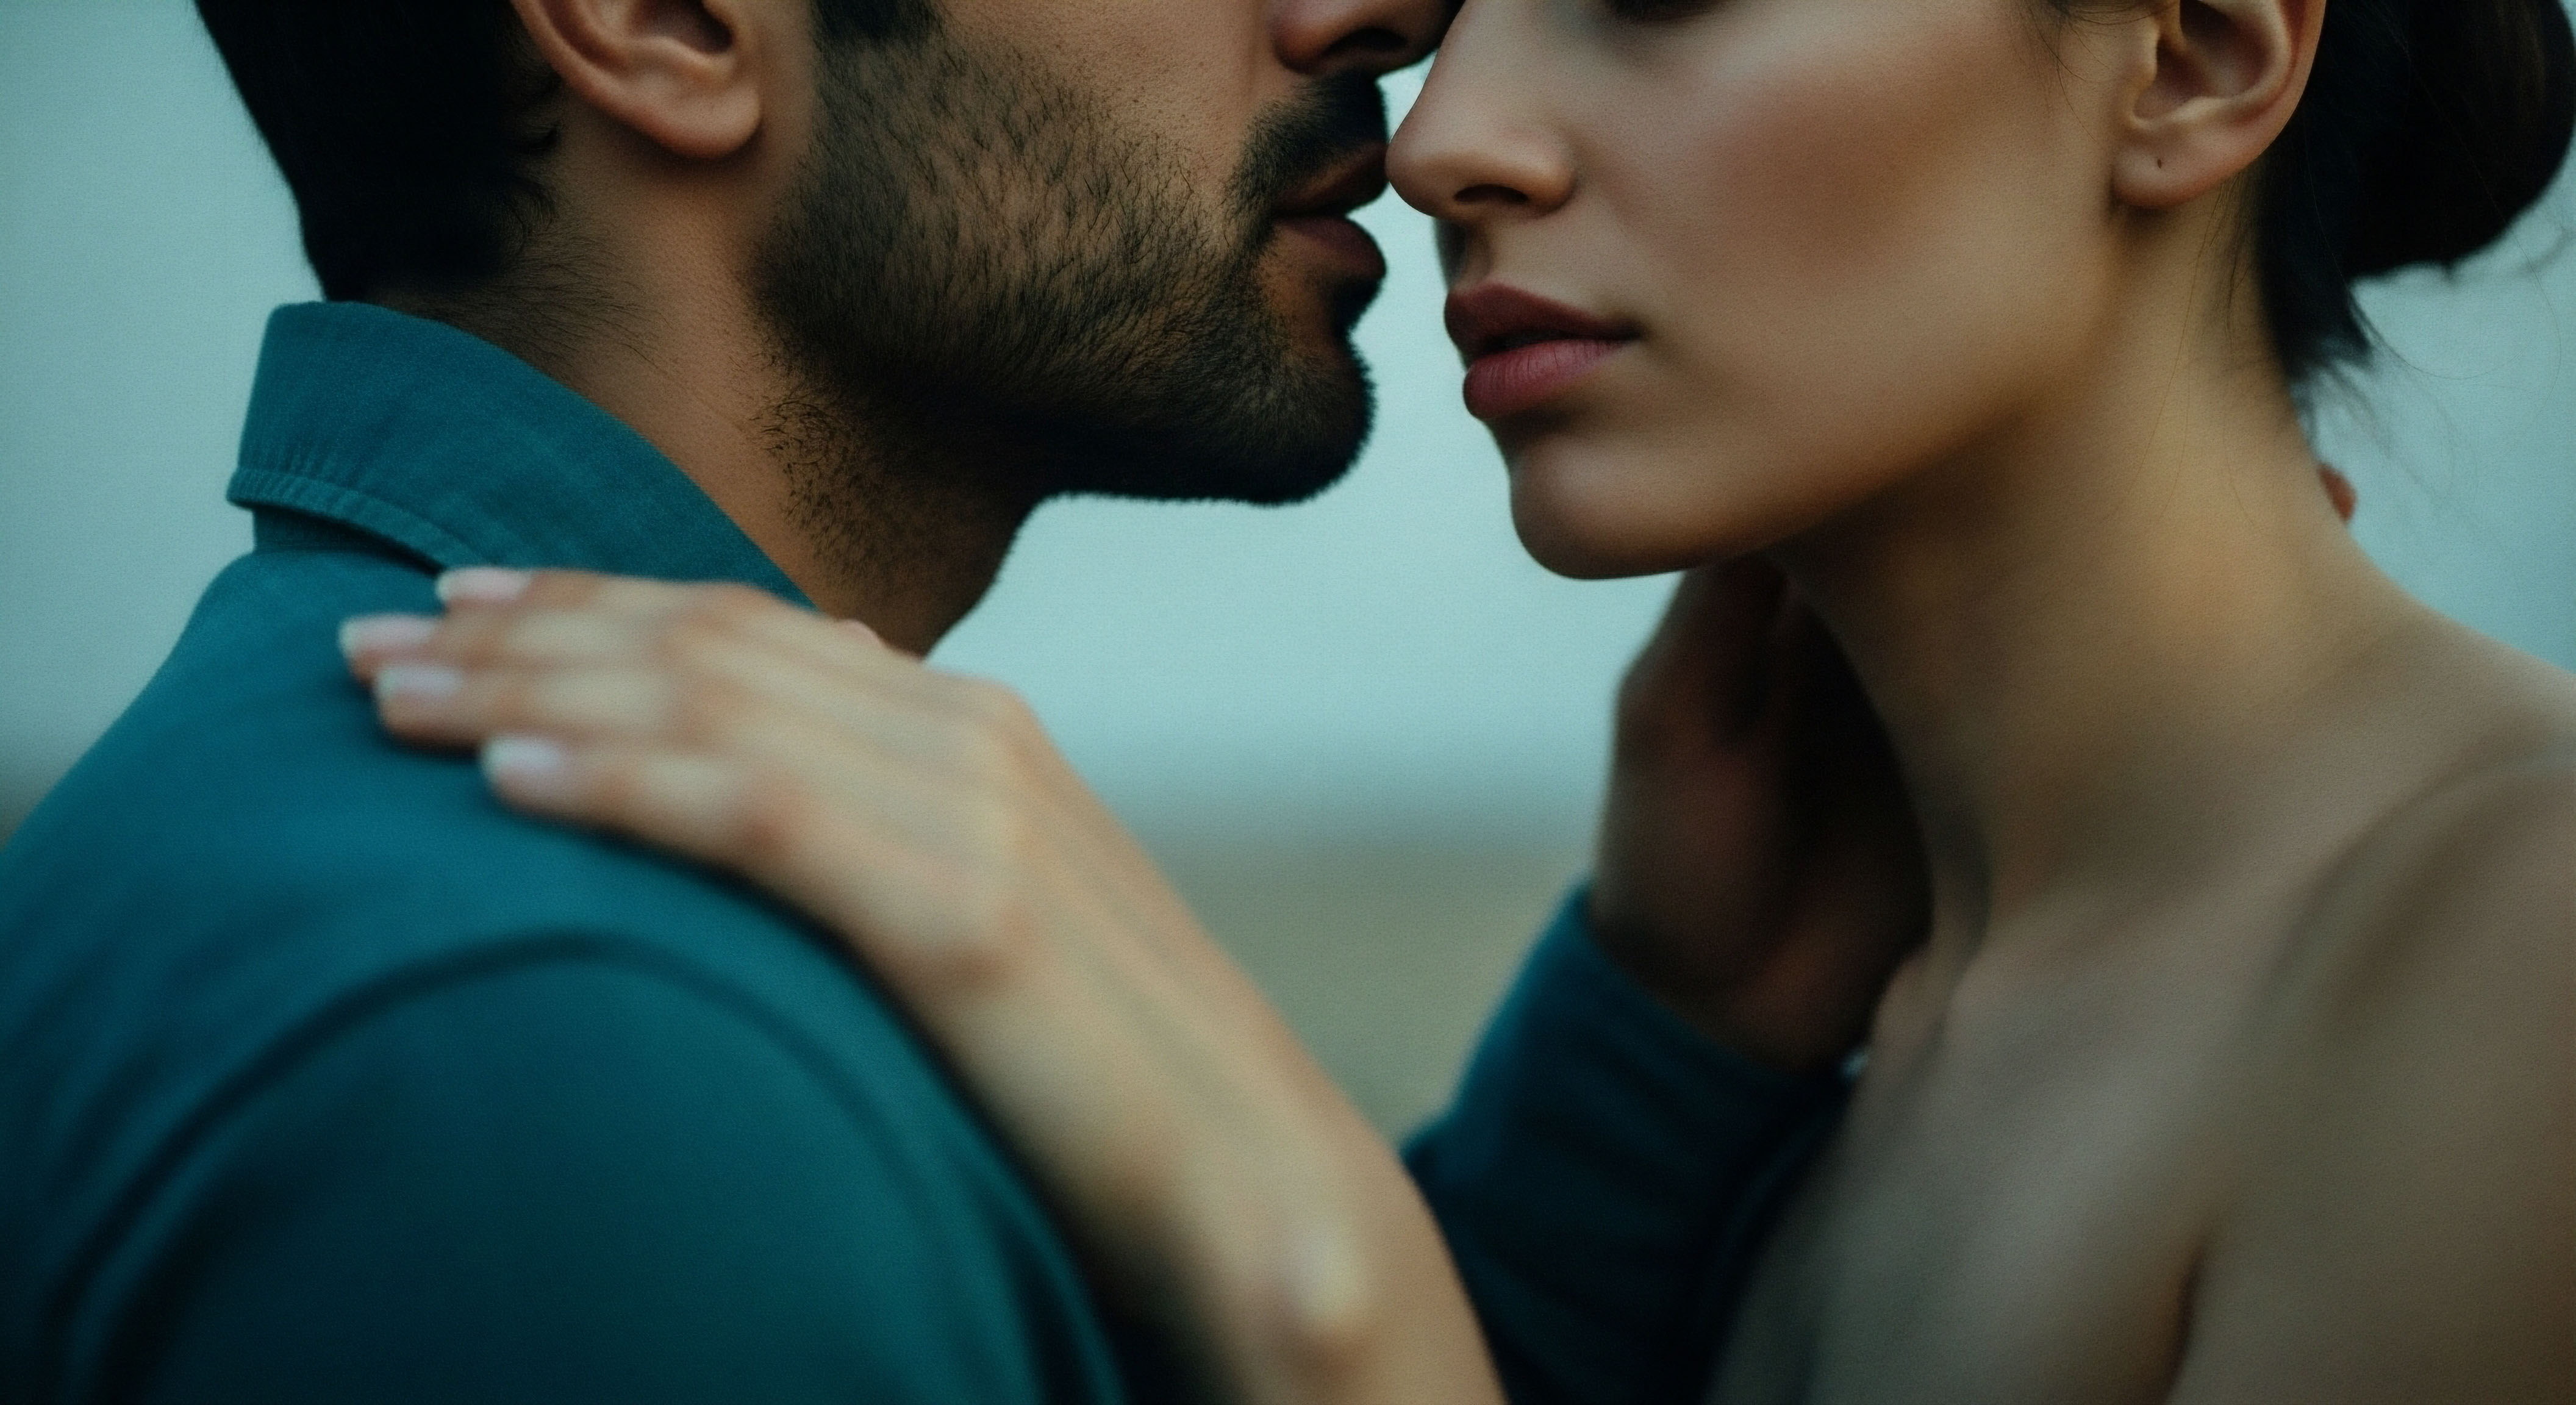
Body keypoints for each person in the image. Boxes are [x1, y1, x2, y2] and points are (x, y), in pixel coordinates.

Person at [337, 0, 2576, 1401]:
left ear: (2197, 56)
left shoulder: (2517, 958)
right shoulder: (1850, 1028)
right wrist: (1648, 1058)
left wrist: (1328, 1284)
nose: (1443, 135)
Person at [0, 0, 1880, 1399]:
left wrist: (1653, 1055)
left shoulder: (432, 890)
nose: (1383, 20)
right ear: (664, 22)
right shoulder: (584, 1072)